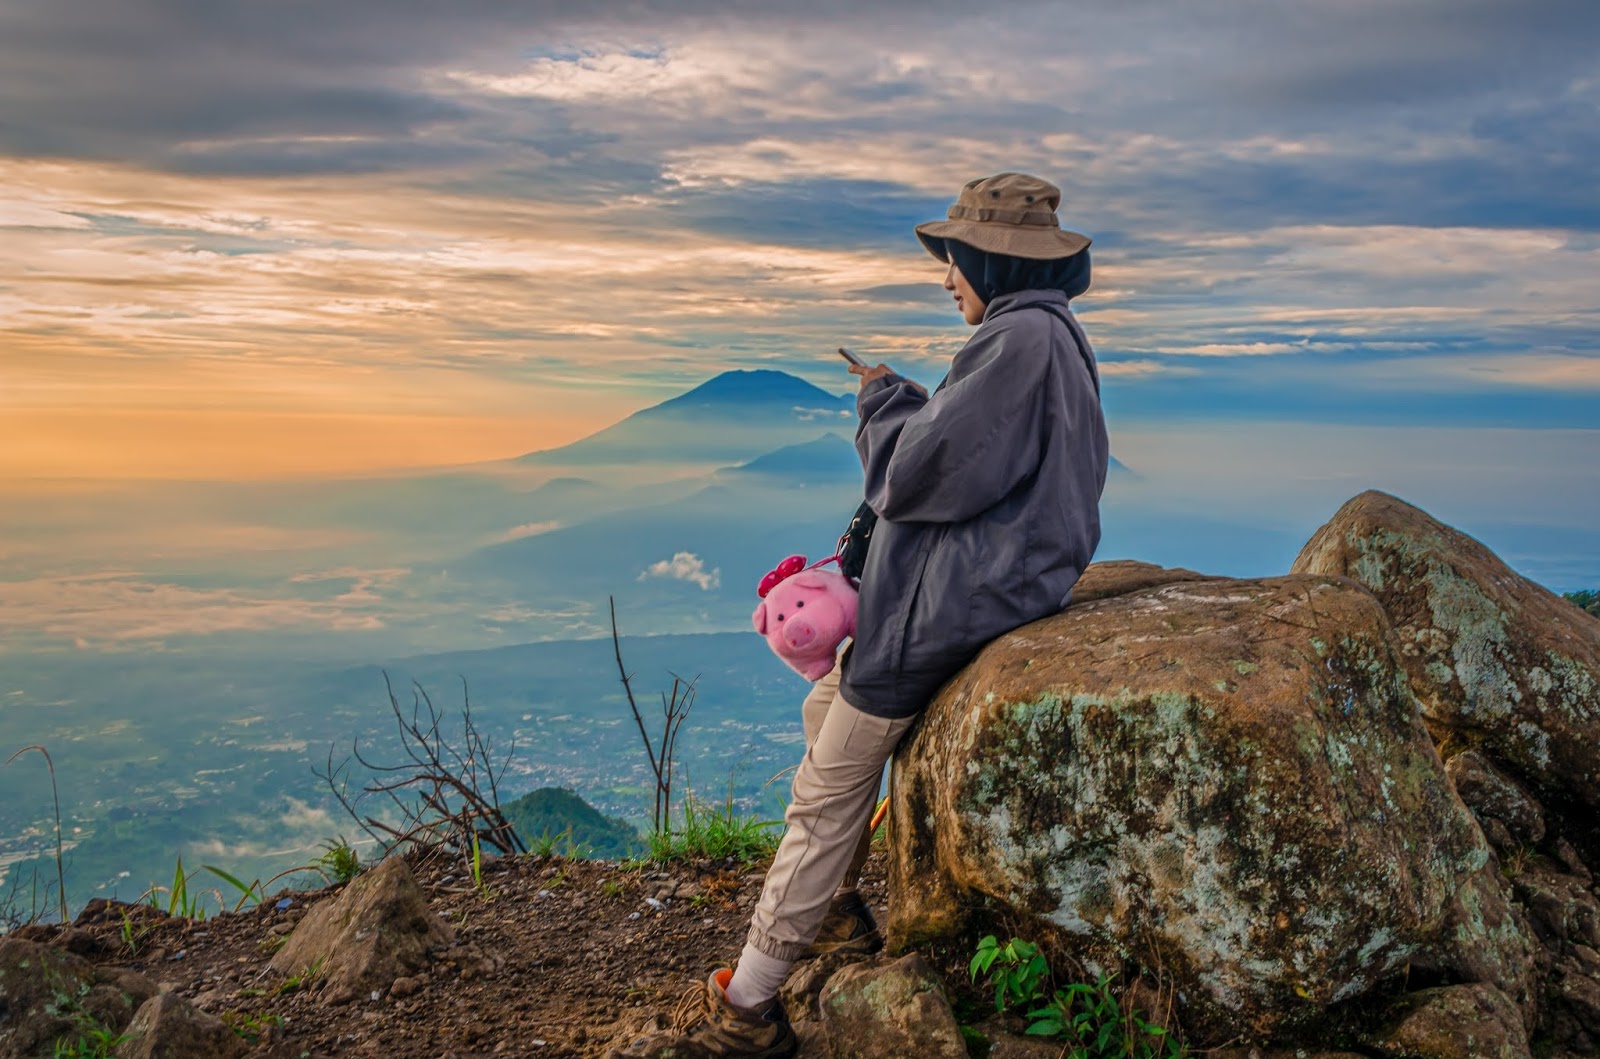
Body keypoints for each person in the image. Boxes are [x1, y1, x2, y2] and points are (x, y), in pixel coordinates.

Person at [612, 172, 1110, 1059]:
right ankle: (836, 913)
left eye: (952, 259)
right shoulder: (1042, 337)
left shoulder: (1016, 343)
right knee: (822, 704)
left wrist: (880, 400)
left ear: (989, 259)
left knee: (825, 794)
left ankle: (748, 1013)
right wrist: (908, 398)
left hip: (956, 602)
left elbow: (914, 477)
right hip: (999, 581)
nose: (944, 275)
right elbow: (967, 455)